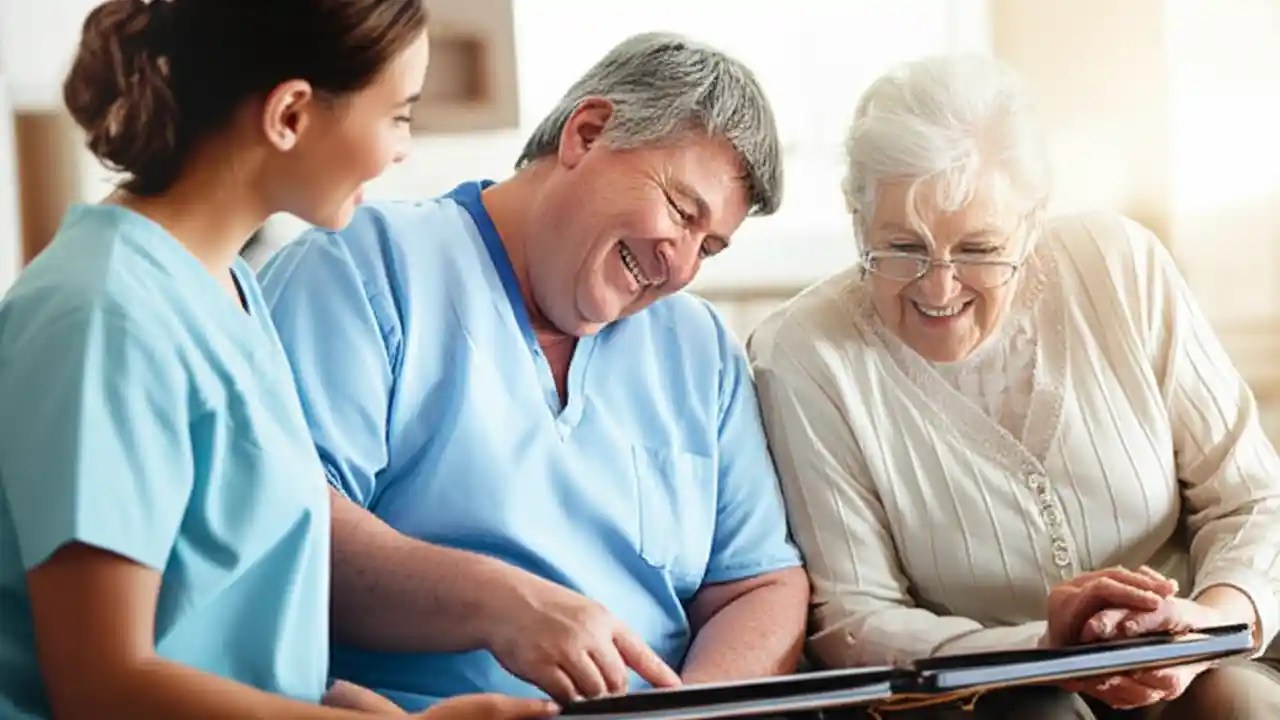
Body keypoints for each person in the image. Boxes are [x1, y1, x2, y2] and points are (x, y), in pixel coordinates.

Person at [0, 1, 553, 718]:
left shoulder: (228, 290)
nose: (402, 150)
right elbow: (102, 685)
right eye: (399, 114)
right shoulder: (103, 314)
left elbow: (215, 615)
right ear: (291, 113)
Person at [257, 31, 809, 711]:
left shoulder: (699, 349)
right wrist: (498, 604)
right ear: (588, 132)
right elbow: (283, 525)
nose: (681, 266)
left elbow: (758, 584)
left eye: (711, 246)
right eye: (679, 210)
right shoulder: (362, 267)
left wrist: (688, 709)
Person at [748, 54, 1280, 719]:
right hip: (987, 690)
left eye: (977, 249)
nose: (939, 286)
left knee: (1239, 705)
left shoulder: (1121, 266)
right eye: (903, 247)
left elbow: (1255, 498)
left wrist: (1207, 627)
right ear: (858, 225)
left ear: (1030, 225)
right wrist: (1044, 648)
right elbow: (855, 616)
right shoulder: (803, 353)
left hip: (1192, 652)